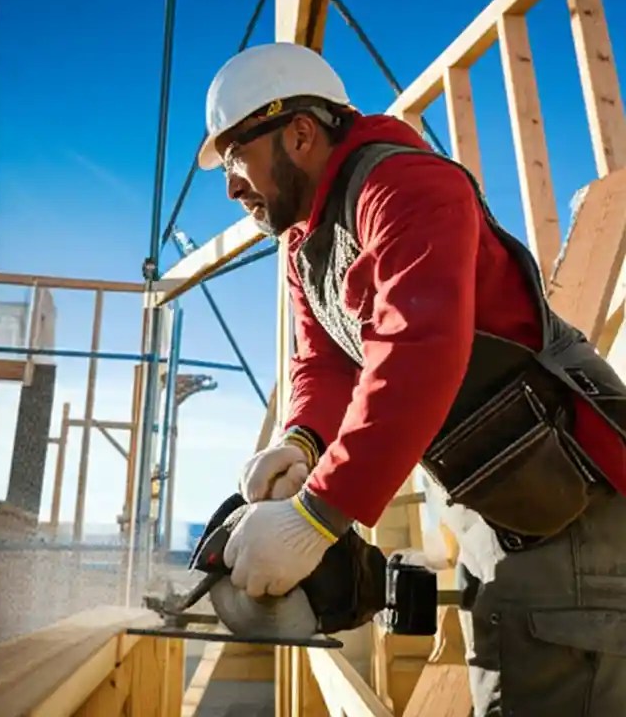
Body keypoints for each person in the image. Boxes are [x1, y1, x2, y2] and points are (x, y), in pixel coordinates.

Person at [198, 42, 626, 716]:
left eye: (234, 156)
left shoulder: (405, 187)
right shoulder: (302, 242)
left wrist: (316, 515)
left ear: (301, 133)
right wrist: (301, 443)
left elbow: (418, 349)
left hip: (572, 506)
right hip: (504, 503)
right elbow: (326, 362)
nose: (229, 184)